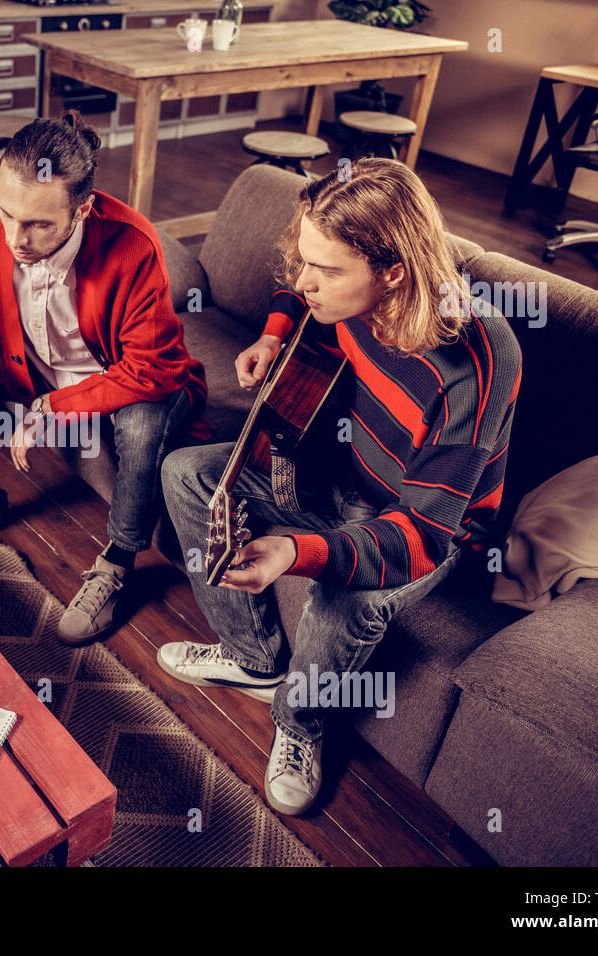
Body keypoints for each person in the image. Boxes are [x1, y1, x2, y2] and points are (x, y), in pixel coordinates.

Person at [159, 158, 521, 816]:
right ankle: (252, 656)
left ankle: (300, 726)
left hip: (428, 529)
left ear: (393, 273)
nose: (305, 282)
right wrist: (274, 337)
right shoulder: (341, 291)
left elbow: (423, 532)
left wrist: (294, 552)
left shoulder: (477, 357)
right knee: (187, 471)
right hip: (341, 481)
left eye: (325, 271)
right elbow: (299, 290)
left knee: (342, 599)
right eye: (304, 261)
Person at [0, 111, 208, 644]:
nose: (16, 237)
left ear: (82, 209)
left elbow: (150, 369)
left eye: (39, 223)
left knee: (142, 424)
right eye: (8, 215)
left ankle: (117, 564)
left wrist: (53, 410)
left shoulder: (133, 244)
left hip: (123, 385)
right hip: (29, 373)